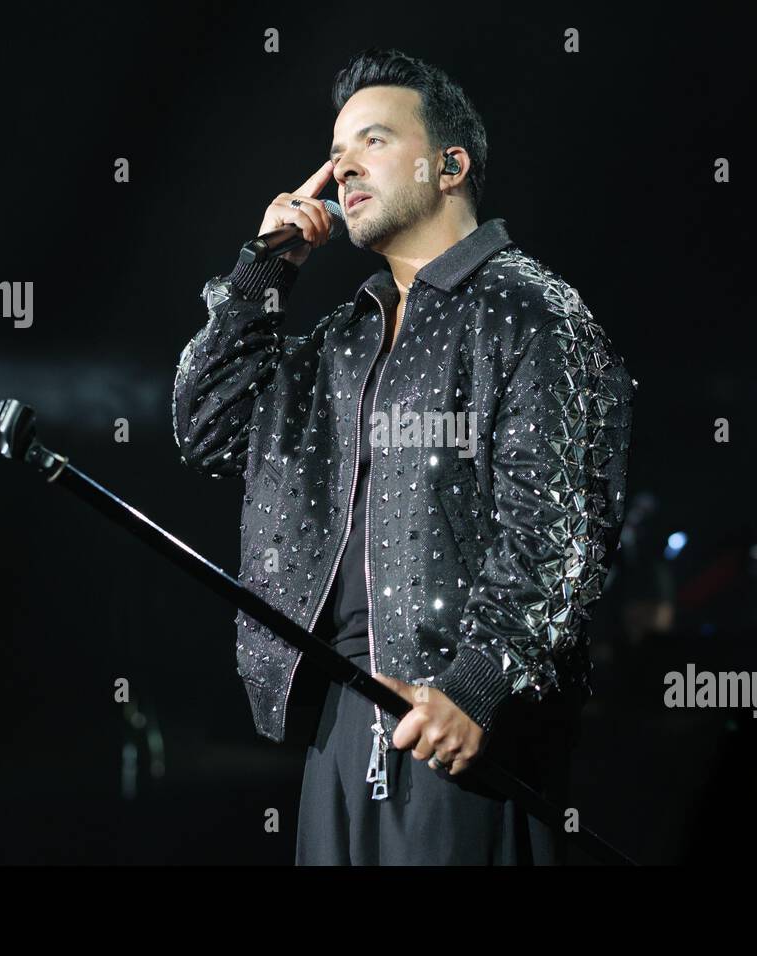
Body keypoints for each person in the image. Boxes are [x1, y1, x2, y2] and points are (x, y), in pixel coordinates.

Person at [172, 48, 633, 864]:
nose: (343, 165)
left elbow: (558, 526)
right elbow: (208, 426)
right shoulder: (341, 340)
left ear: (448, 165)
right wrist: (262, 269)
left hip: (460, 731)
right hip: (338, 726)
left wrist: (478, 684)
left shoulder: (532, 312)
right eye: (336, 149)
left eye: (373, 140)